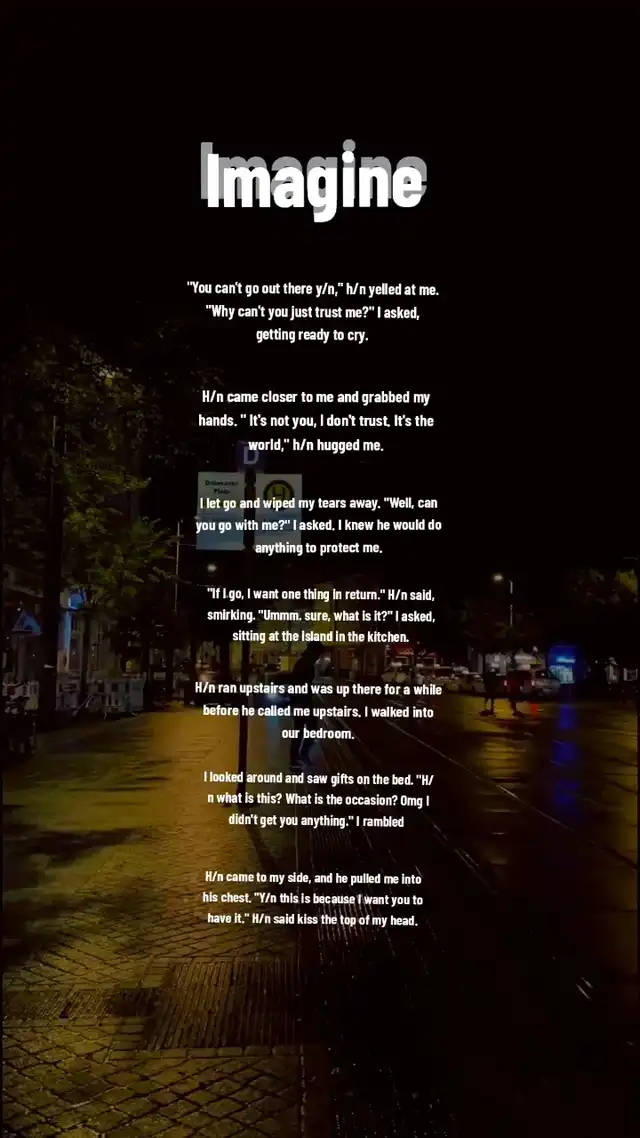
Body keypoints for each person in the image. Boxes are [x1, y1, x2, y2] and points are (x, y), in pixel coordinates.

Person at [288, 641, 327, 768]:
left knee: (300, 731)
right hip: (303, 703)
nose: (318, 657)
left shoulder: (303, 663)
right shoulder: (306, 665)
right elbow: (302, 686)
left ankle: (297, 757)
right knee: (308, 730)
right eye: (318, 654)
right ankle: (300, 756)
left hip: (301, 702)